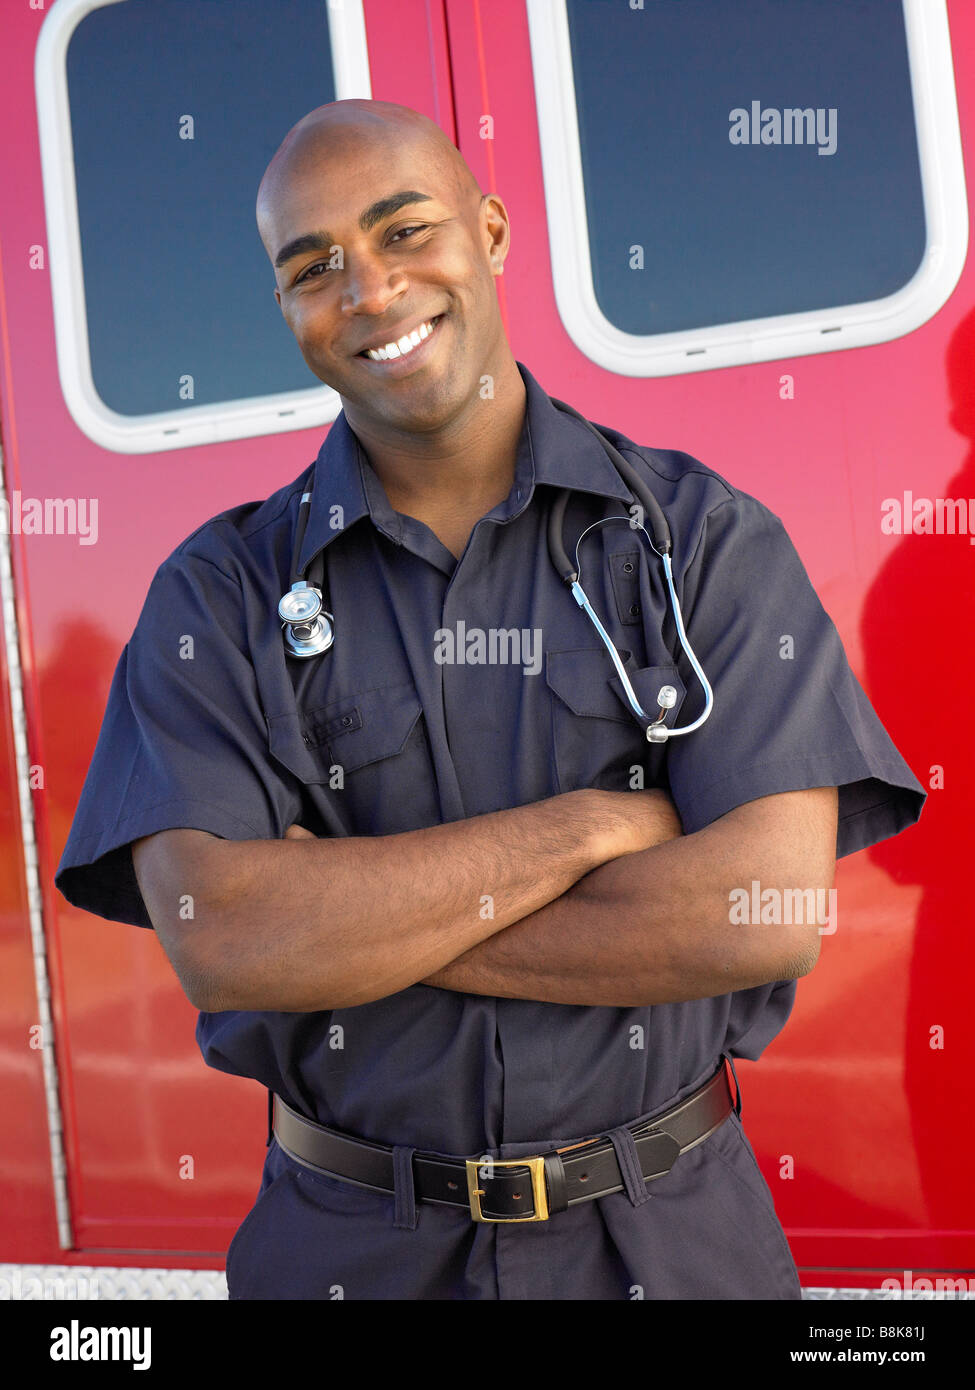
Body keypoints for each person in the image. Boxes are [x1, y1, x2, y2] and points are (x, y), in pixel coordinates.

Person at [55, 100, 926, 1301]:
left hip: (668, 1248)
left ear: (492, 230)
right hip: (349, 1253)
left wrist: (354, 926)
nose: (368, 289)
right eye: (314, 268)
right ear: (287, 312)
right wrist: (589, 831)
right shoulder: (219, 593)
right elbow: (226, 935)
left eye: (404, 229)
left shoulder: (700, 538)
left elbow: (757, 911)